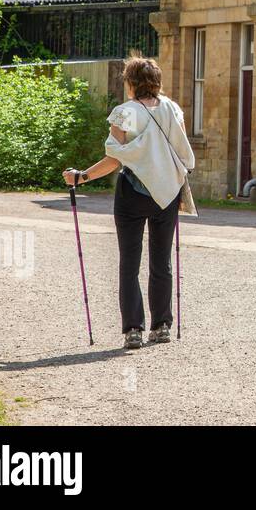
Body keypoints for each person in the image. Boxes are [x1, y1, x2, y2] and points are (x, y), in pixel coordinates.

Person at [63, 57, 196, 350]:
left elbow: (114, 158)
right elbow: (178, 149)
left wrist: (81, 177)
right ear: (157, 81)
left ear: (131, 83)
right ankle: (162, 325)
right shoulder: (172, 109)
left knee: (129, 262)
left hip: (133, 193)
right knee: (161, 261)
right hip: (167, 192)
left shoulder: (125, 113)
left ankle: (133, 329)